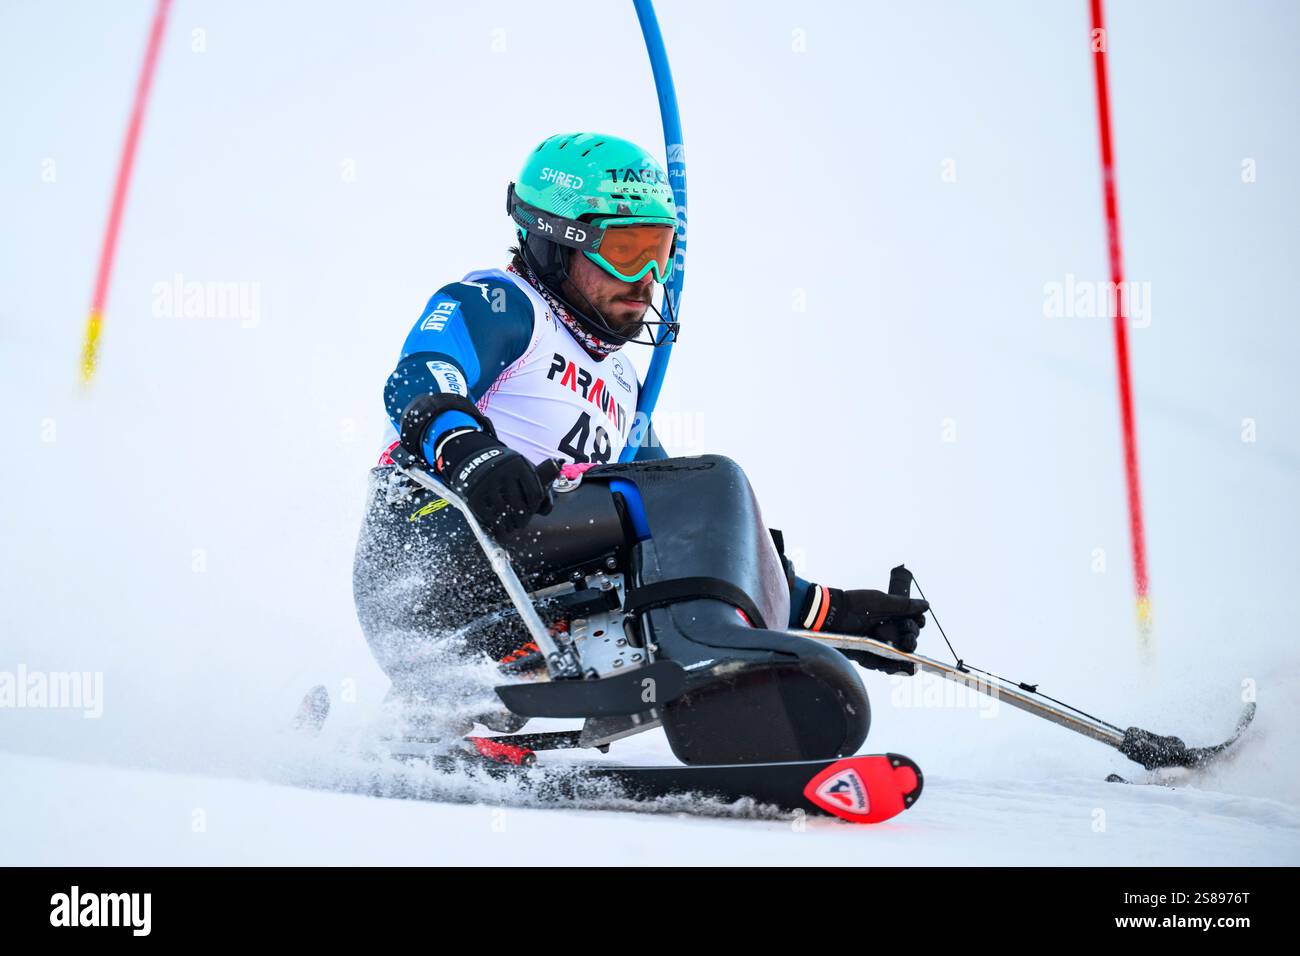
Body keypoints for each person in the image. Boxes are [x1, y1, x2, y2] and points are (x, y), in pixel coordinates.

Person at [353, 132, 928, 725]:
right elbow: (421, 374)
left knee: (687, 496)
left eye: (660, 249)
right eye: (626, 250)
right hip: (426, 557)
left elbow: (683, 529)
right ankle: (707, 662)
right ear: (556, 243)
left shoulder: (623, 383)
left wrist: (834, 613)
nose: (647, 276)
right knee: (711, 483)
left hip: (519, 596)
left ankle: (487, 700)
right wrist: (471, 450)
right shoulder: (504, 304)